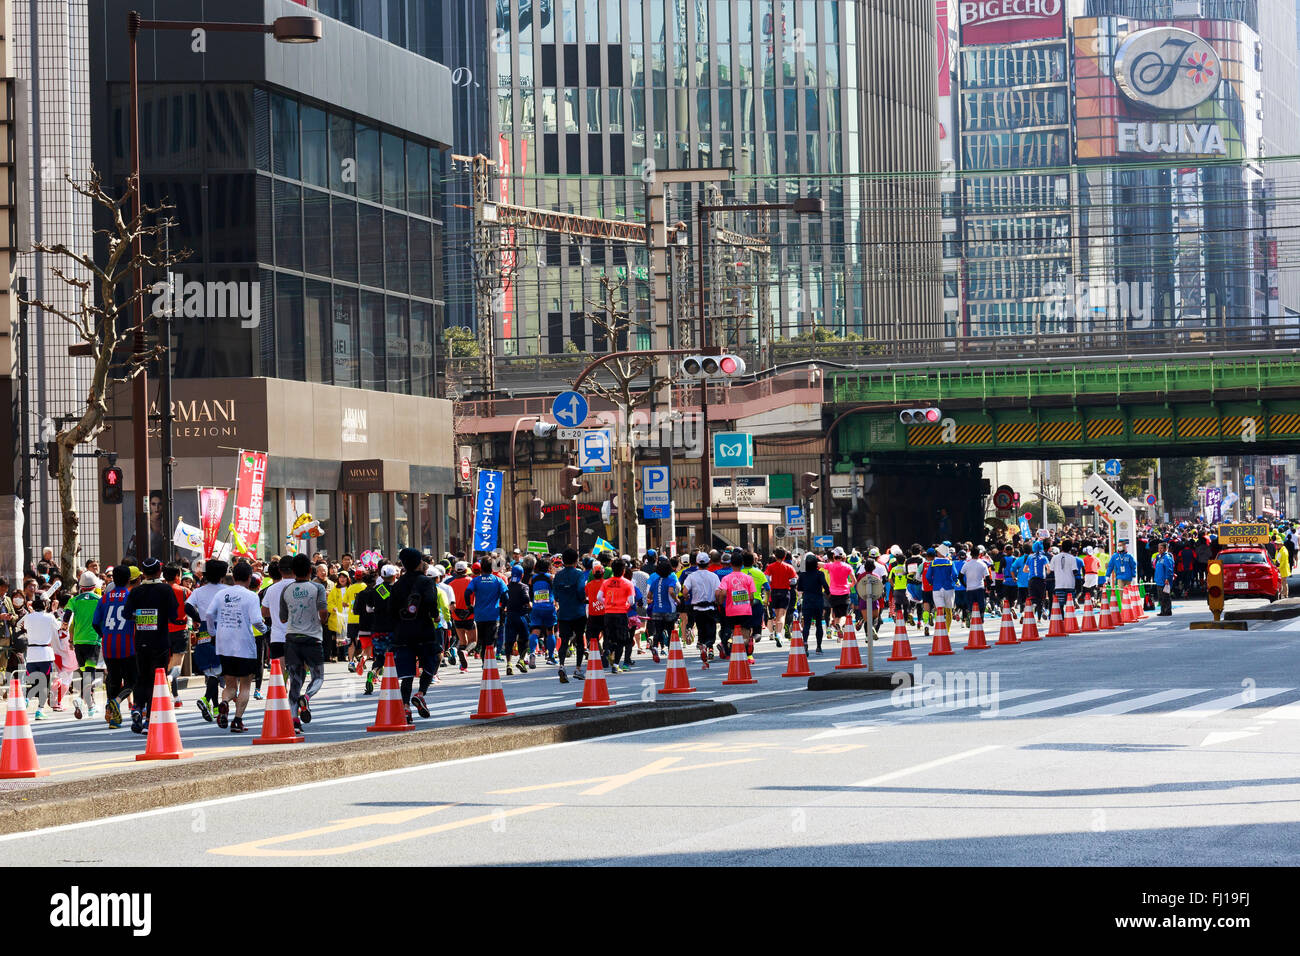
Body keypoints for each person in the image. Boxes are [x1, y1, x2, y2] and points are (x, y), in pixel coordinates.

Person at [123, 557, 179, 734]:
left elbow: (126, 614)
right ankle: (148, 720)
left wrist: (140, 617)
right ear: (158, 572)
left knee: (142, 678)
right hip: (160, 642)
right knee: (157, 681)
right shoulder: (165, 590)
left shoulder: (136, 591)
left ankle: (138, 708)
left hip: (140, 641)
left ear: (144, 574)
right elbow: (173, 615)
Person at [210, 561, 266, 733]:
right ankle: (237, 720)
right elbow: (257, 620)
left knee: (230, 684)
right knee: (246, 685)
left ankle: (224, 703)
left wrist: (213, 632)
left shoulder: (221, 594)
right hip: (244, 645)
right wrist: (265, 630)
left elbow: (208, 613)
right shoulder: (251, 596)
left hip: (224, 644)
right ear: (249, 578)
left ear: (233, 577)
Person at [278, 553, 329, 733]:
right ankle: (306, 698)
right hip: (313, 639)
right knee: (318, 677)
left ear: (292, 571)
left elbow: (282, 618)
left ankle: (294, 720)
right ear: (310, 570)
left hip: (292, 638)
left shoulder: (286, 590)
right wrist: (322, 620)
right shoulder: (317, 588)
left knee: (295, 680)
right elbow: (323, 612)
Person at [389, 548, 441, 721]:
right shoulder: (426, 582)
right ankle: (420, 693)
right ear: (419, 562)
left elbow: (391, 610)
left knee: (407, 674)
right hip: (424, 632)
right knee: (434, 658)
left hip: (402, 634)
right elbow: (432, 603)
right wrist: (435, 616)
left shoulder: (397, 585)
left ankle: (405, 707)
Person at [93, 565, 137, 728]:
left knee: (113, 680)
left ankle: (113, 717)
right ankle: (117, 702)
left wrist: (105, 635)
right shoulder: (131, 596)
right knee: (133, 680)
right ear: (128, 580)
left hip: (109, 645)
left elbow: (95, 623)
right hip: (128, 645)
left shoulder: (104, 598)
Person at [186, 559, 228, 722]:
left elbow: (187, 607)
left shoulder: (198, 591)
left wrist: (197, 619)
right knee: (218, 671)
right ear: (223, 575)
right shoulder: (226, 590)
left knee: (211, 672)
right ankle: (205, 699)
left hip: (203, 631)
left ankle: (216, 707)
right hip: (221, 631)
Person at [63, 571, 103, 719]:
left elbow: (68, 617)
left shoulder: (75, 600)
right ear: (95, 586)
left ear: (81, 586)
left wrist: (68, 634)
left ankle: (90, 704)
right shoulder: (99, 599)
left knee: (85, 674)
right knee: (90, 673)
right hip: (93, 641)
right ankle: (82, 701)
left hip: (79, 642)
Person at [19, 595, 59, 719]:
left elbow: (24, 626)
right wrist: (54, 611)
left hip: (31, 654)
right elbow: (58, 627)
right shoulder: (50, 616)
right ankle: (40, 710)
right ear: (45, 606)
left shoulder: (28, 617)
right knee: (45, 683)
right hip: (45, 653)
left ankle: (26, 699)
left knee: (33, 682)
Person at [553, 548, 587, 683]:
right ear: (576, 560)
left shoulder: (558, 575)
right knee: (579, 640)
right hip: (578, 612)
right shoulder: (579, 574)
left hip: (564, 612)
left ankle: (561, 665)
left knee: (564, 641)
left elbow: (555, 594)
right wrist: (583, 599)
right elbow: (580, 591)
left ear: (563, 560)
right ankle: (578, 669)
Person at [598, 557, 636, 673]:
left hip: (608, 614)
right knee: (621, 641)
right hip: (621, 614)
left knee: (609, 637)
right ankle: (615, 665)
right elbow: (632, 601)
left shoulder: (606, 582)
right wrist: (624, 605)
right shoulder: (628, 583)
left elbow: (599, 597)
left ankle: (608, 650)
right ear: (623, 570)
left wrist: (607, 604)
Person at [717, 551, 756, 659]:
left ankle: (732, 644)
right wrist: (750, 605)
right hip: (745, 610)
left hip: (731, 611)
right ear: (742, 563)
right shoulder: (748, 578)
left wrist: (720, 602)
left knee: (733, 631)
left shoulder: (726, 578)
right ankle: (747, 653)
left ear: (731, 564)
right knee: (746, 632)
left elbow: (723, 592)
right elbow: (752, 596)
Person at [468, 558, 508, 664]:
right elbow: (506, 596)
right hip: (493, 615)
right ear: (492, 568)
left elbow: (467, 593)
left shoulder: (476, 580)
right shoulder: (498, 580)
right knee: (491, 641)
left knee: (482, 641)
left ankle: (484, 662)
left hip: (479, 615)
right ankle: (489, 662)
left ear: (481, 568)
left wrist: (469, 606)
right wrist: (502, 607)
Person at [797, 553, 831, 652]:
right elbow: (826, 586)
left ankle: (805, 642)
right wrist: (829, 594)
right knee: (819, 624)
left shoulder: (803, 574)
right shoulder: (820, 574)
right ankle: (818, 647)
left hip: (807, 600)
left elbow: (799, 588)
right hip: (818, 600)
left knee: (806, 624)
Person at [1152, 542, 1176, 616]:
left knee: (1165, 596)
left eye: (1161, 548)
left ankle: (1167, 611)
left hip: (1164, 580)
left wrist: (1167, 578)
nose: (1159, 550)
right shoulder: (1159, 557)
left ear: (1165, 549)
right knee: (1161, 597)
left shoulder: (1167, 557)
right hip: (1159, 580)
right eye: (1159, 548)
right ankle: (1163, 611)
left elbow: (1169, 569)